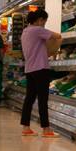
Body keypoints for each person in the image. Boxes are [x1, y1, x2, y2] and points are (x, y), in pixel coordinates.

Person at [19, 9, 61, 137]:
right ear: (39, 20)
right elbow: (57, 36)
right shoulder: (37, 30)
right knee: (43, 99)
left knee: (29, 98)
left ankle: (26, 127)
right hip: (40, 68)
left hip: (30, 69)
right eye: (44, 21)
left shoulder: (25, 31)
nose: (44, 24)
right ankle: (46, 129)